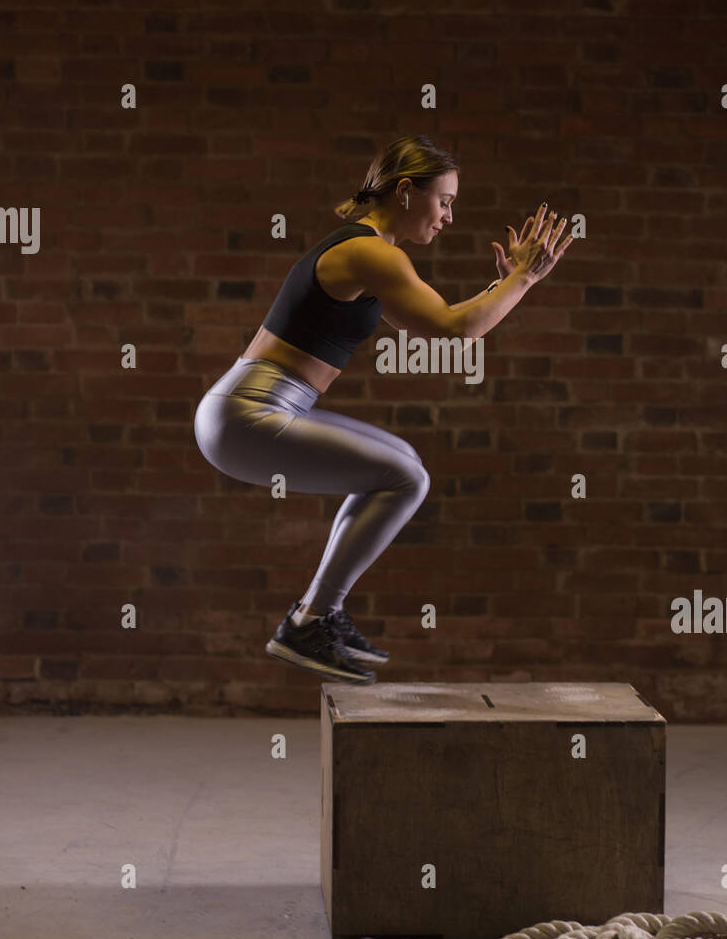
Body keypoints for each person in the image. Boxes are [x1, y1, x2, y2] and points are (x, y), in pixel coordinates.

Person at [193, 134, 572, 684]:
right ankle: (311, 620)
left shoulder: (369, 256)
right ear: (404, 192)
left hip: (256, 406)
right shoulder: (370, 251)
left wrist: (508, 282)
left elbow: (434, 323)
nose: (447, 217)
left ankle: (318, 615)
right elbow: (453, 330)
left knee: (401, 460)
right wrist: (524, 277)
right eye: (443, 201)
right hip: (247, 412)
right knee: (403, 477)